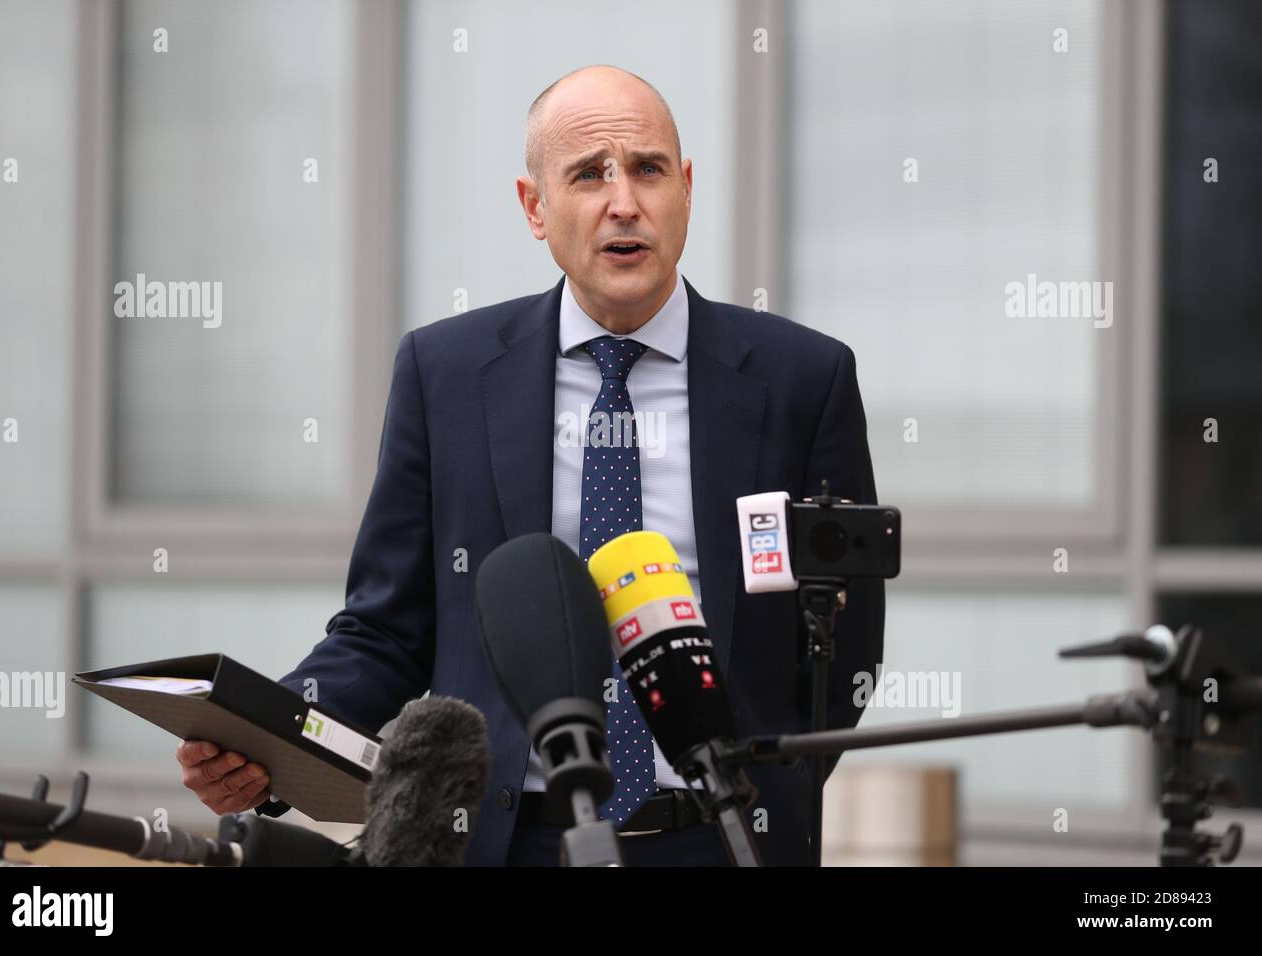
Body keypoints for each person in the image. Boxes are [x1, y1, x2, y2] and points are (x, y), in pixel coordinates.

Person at [177, 64, 884, 866]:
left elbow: (841, 651)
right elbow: (385, 633)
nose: (625, 203)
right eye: (588, 175)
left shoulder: (803, 379)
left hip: (718, 839)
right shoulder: (445, 374)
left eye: (649, 169)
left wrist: (763, 801)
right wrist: (271, 739)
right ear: (534, 207)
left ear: (686, 188)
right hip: (507, 841)